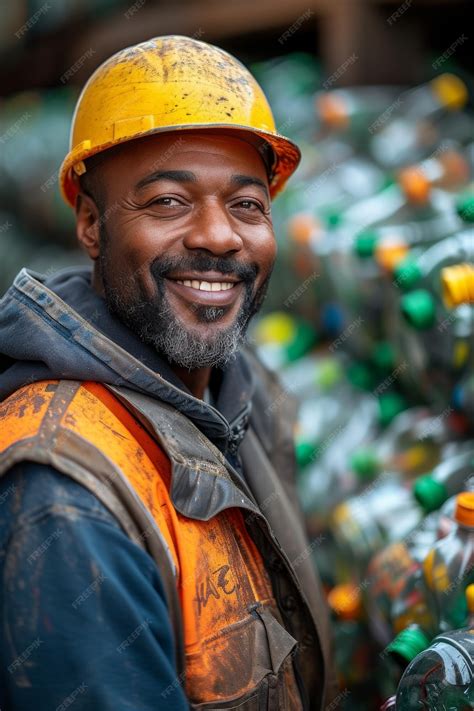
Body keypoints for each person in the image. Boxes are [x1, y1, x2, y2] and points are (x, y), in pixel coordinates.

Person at [0, 35, 336, 710]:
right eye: (168, 203)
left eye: (248, 205)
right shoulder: (63, 493)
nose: (219, 236)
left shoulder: (240, 394)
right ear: (91, 224)